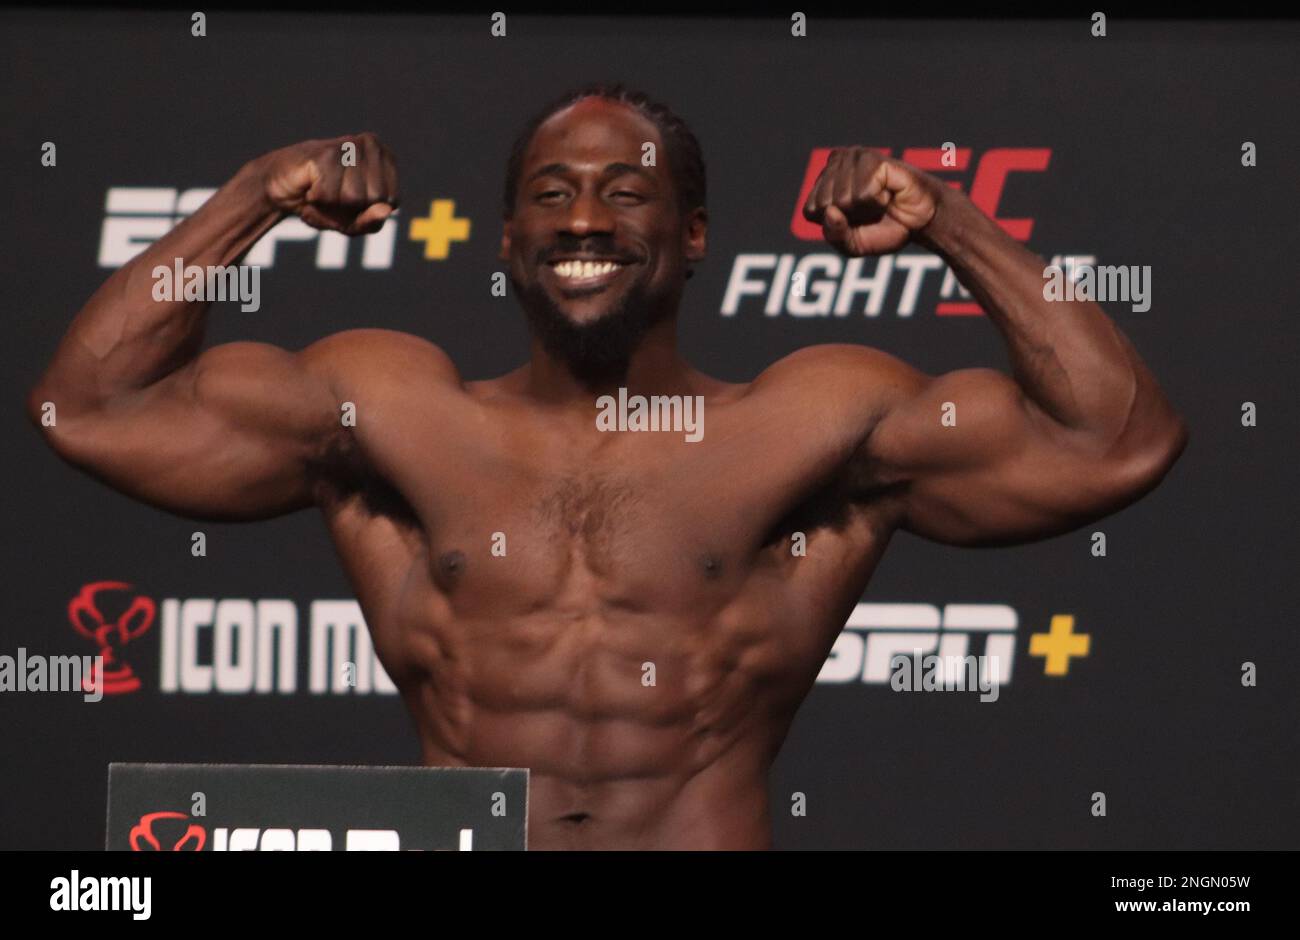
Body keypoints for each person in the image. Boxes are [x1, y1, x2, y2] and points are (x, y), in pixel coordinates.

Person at [28, 84, 1186, 849]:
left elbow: (1114, 437)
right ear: (505, 241)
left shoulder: (810, 423)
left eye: (626, 193)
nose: (584, 218)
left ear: (691, 237)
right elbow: (89, 405)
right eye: (549, 195)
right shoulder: (388, 411)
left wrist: (947, 218)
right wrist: (257, 192)